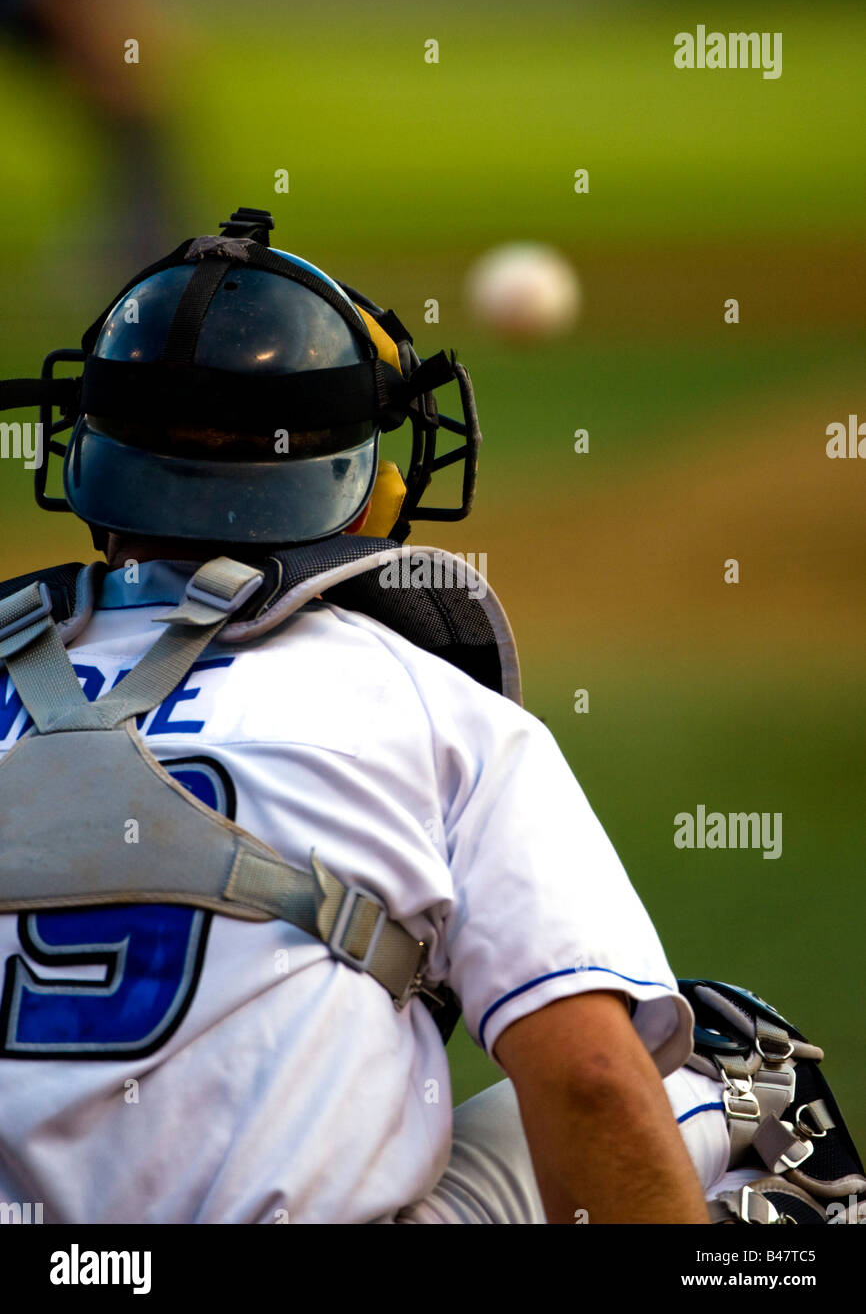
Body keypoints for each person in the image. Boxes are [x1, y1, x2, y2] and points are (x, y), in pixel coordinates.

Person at [0, 209, 859, 1225]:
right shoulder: (422, 706)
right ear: (365, 481)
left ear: (88, 451)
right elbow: (587, 1076)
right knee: (751, 1075)